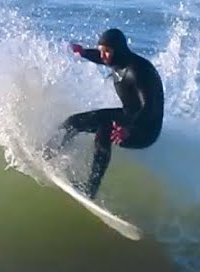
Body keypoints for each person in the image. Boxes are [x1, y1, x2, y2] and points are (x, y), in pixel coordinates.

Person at [46, 27, 164, 199]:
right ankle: (48, 153)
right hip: (127, 116)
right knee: (74, 121)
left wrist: (128, 129)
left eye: (107, 51)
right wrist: (83, 52)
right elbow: (100, 57)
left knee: (104, 130)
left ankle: (90, 189)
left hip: (145, 129)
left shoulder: (138, 71)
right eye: (102, 51)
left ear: (120, 50)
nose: (103, 56)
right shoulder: (116, 59)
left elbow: (150, 110)